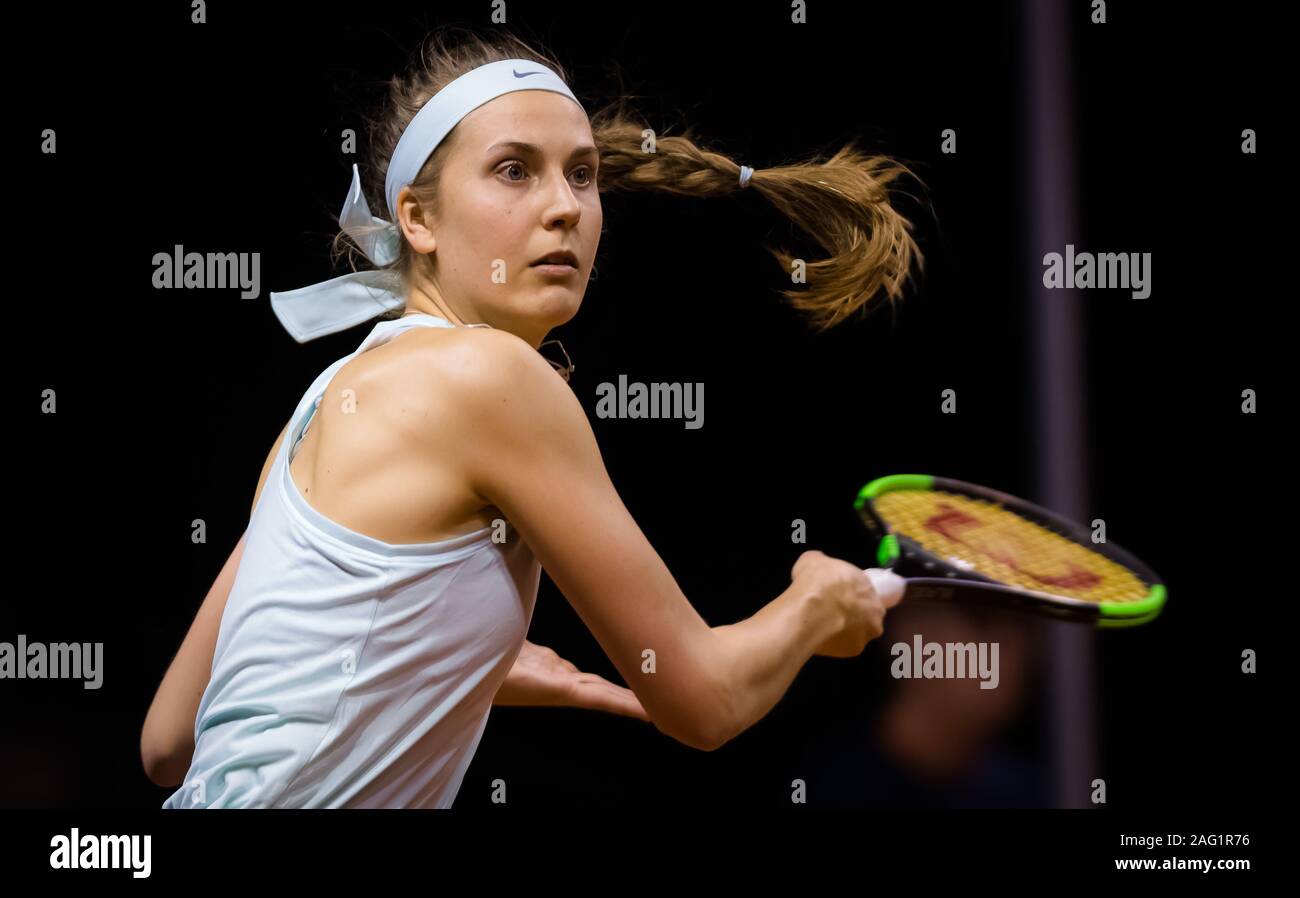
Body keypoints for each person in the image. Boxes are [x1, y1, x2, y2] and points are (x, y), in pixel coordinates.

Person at [140, 26, 923, 808]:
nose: (564, 208)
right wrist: (816, 606)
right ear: (417, 219)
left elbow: (169, 741)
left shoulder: (321, 404)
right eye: (514, 171)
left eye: (582, 176)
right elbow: (707, 703)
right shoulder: (489, 376)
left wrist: (452, 659)